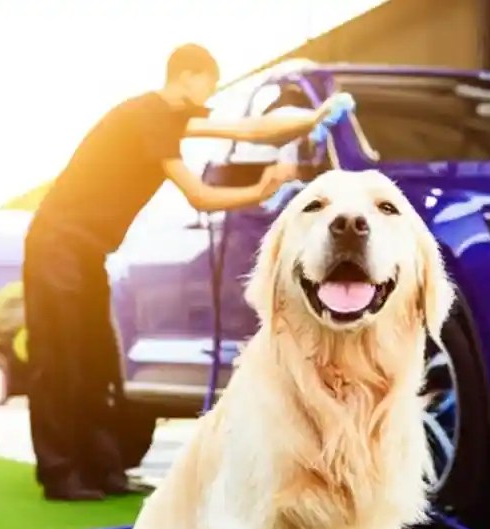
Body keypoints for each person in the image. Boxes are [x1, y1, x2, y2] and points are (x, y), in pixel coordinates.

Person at [23, 44, 336, 501]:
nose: (210, 92)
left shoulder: (166, 117)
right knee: (61, 360)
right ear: (189, 76)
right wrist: (263, 187)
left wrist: (314, 118)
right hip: (56, 245)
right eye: (209, 81)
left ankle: (102, 469)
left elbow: (250, 129)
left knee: (95, 361)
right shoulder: (150, 114)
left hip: (86, 252)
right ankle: (60, 473)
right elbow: (199, 197)